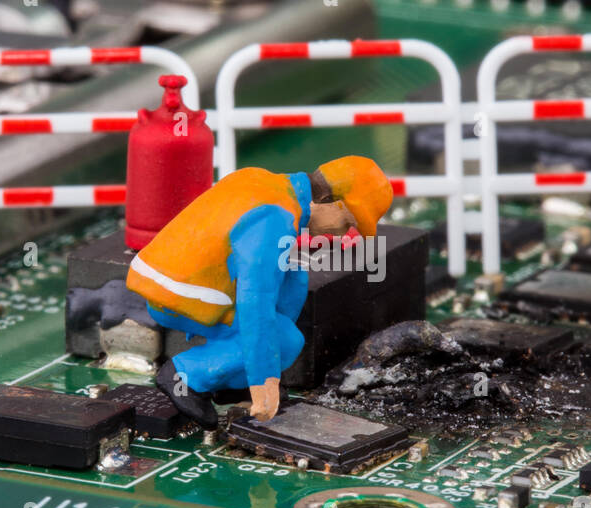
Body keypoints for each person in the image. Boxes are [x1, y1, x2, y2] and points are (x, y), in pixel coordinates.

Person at [126, 155, 393, 426]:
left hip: (168, 275)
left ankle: (229, 383)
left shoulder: (265, 182)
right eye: (347, 223)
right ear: (332, 203)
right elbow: (255, 301)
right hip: (182, 291)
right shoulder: (275, 218)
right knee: (286, 341)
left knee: (289, 289)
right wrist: (264, 381)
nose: (341, 233)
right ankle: (185, 375)